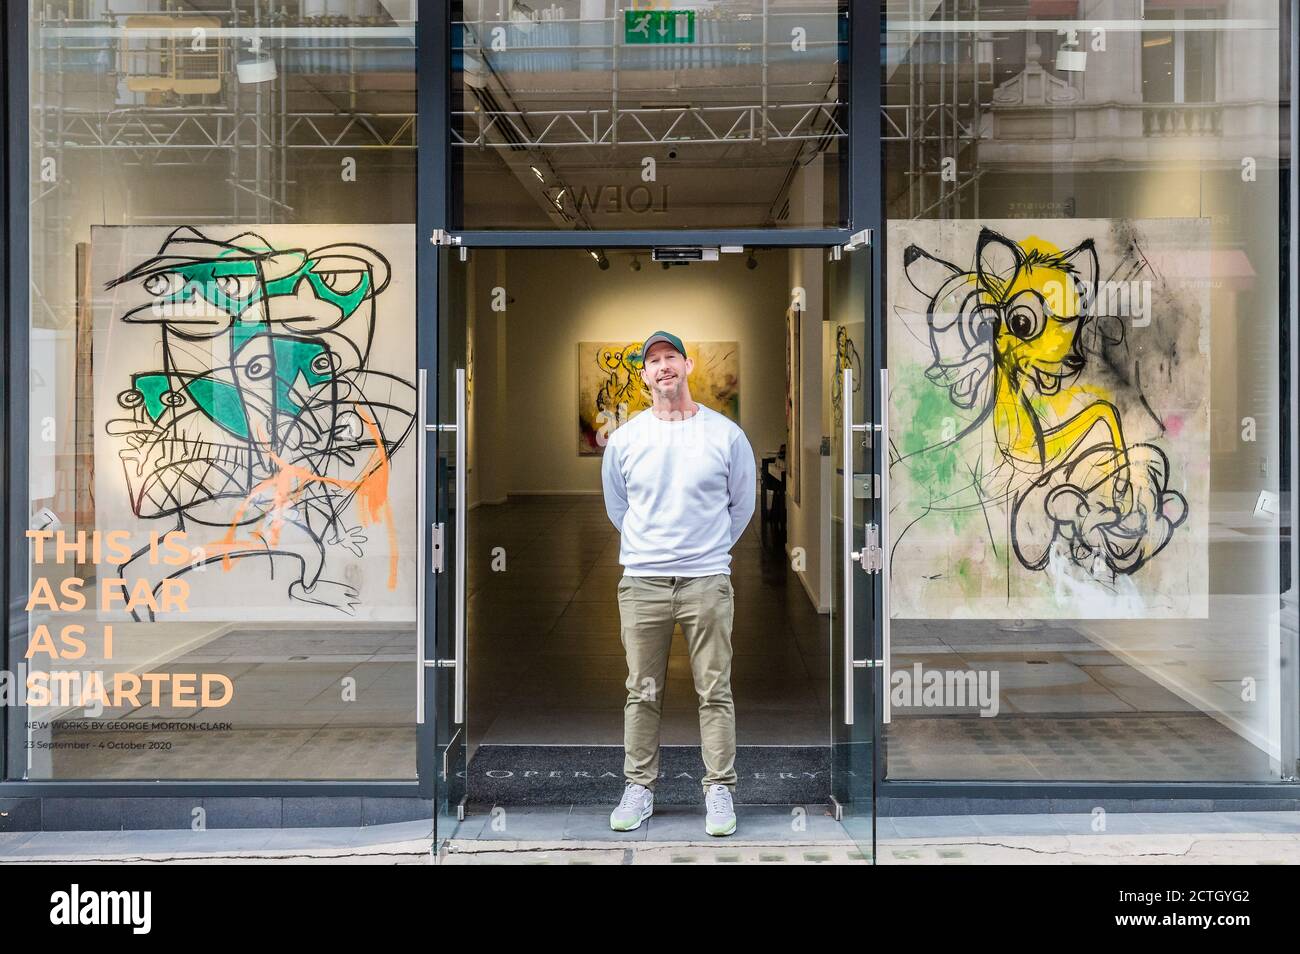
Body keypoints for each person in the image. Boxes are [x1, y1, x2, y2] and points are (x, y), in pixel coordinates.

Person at [600, 330, 757, 836]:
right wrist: (654, 548)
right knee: (641, 691)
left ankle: (719, 791)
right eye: (653, 361)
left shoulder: (725, 435)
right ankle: (639, 788)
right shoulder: (625, 439)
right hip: (642, 582)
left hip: (706, 581)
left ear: (688, 365)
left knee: (715, 690)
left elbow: (742, 505)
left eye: (671, 358)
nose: (663, 367)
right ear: (643, 375)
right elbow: (618, 507)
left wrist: (706, 550)